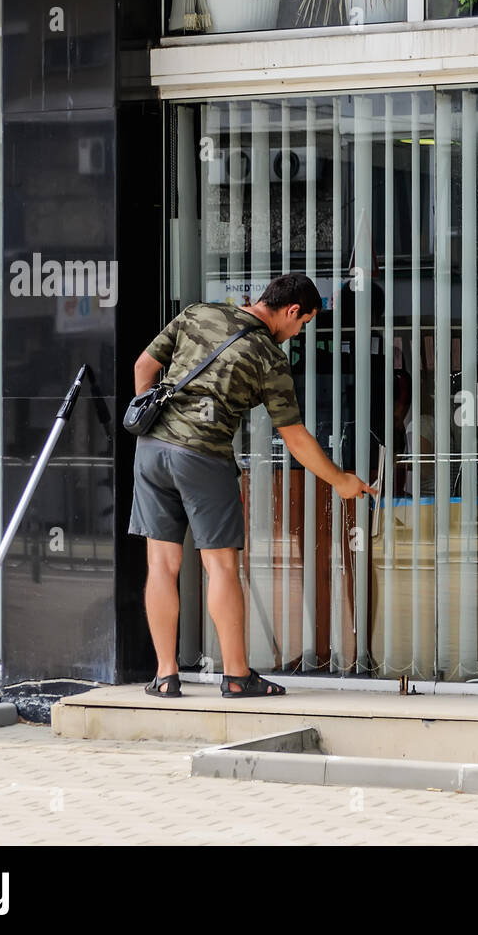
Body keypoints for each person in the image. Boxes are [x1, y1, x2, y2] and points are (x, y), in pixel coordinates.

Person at [129, 273, 376, 698]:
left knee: (162, 566)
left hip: (151, 452)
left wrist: (160, 427)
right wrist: (340, 481)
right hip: (203, 457)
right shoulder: (267, 355)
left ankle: (165, 675)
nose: (298, 333)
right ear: (292, 310)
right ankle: (238, 676)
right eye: (303, 324)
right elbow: (294, 435)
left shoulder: (198, 313)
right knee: (221, 567)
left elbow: (143, 367)